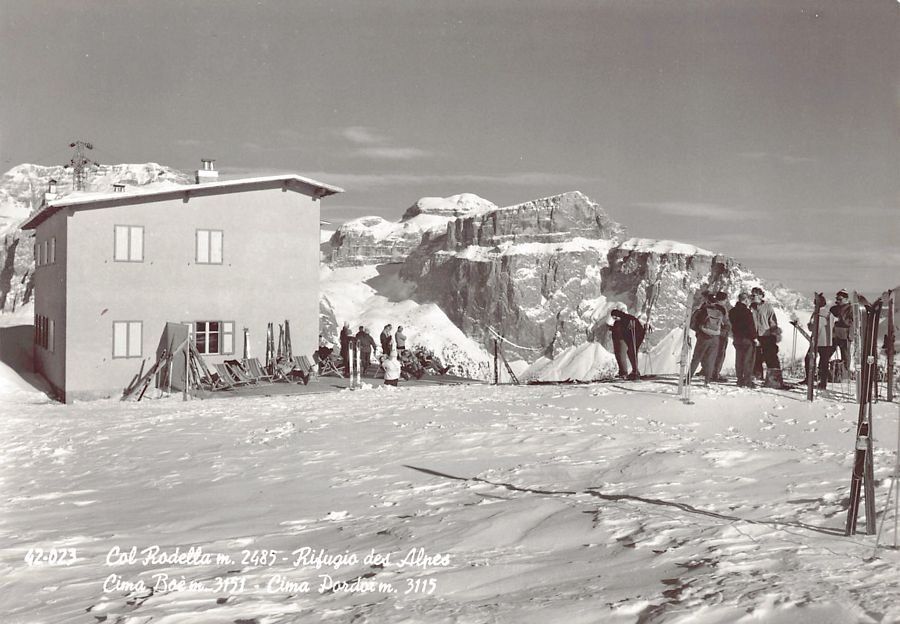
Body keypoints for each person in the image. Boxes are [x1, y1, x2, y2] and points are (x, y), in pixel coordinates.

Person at [689, 292, 727, 386]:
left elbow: (693, 323)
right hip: (715, 337)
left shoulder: (703, 309)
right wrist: (720, 333)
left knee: (696, 357)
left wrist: (700, 330)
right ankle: (707, 381)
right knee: (711, 358)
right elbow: (726, 324)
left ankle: (688, 378)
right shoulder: (722, 310)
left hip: (703, 337)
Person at [729, 292, 757, 388]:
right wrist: (755, 338)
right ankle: (747, 381)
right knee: (748, 360)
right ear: (745, 300)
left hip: (737, 338)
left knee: (739, 359)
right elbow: (750, 326)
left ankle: (739, 380)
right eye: (748, 300)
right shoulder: (747, 312)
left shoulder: (732, 311)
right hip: (747, 339)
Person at [750, 287, 780, 379]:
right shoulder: (751, 307)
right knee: (756, 356)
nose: (752, 297)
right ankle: (757, 375)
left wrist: (774, 334)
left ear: (760, 296)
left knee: (770, 356)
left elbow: (772, 321)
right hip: (755, 335)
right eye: (751, 295)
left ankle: (773, 377)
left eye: (754, 295)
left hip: (766, 336)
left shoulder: (768, 307)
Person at [609, 308, 646, 380]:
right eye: (613, 317)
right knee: (631, 352)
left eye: (615, 317)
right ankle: (634, 371)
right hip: (630, 337)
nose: (614, 318)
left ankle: (635, 371)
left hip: (637, 336)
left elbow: (633, 327)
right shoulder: (621, 320)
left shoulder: (627, 319)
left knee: (632, 352)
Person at [808, 293, 834, 390]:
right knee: (824, 363)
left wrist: (810, 326)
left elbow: (814, 328)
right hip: (827, 341)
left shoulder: (818, 314)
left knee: (809, 359)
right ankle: (823, 383)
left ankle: (809, 379)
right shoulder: (829, 314)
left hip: (817, 340)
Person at [829, 289, 853, 378]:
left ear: (845, 299)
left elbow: (852, 323)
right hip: (835, 334)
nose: (838, 301)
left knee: (846, 355)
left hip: (845, 335)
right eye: (837, 299)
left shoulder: (851, 309)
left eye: (840, 299)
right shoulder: (835, 309)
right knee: (828, 352)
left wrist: (850, 335)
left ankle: (845, 374)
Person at [710, 291, 732, 382]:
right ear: (723, 300)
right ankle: (715, 374)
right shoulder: (722, 309)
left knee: (712, 353)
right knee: (720, 354)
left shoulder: (710, 306)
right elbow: (725, 321)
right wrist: (728, 328)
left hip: (711, 333)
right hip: (721, 333)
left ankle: (709, 372)